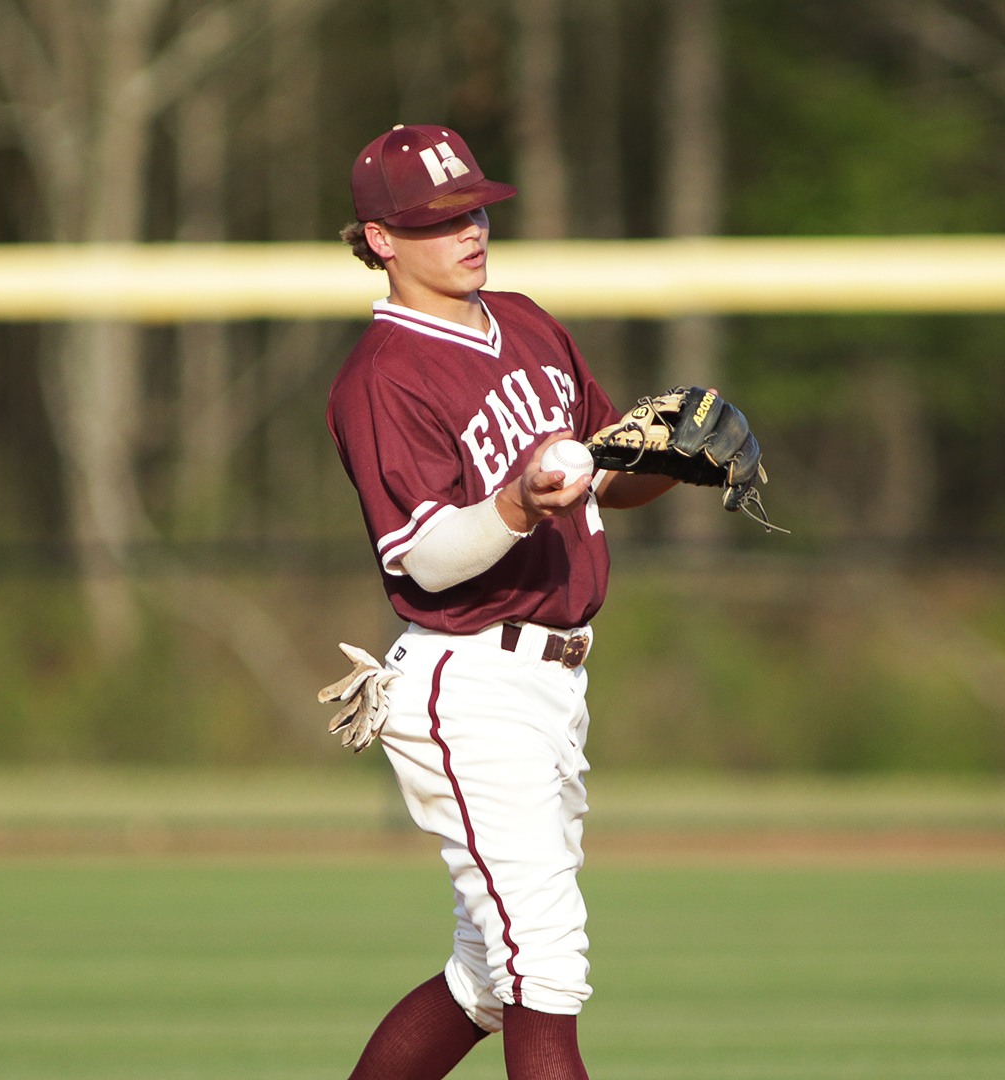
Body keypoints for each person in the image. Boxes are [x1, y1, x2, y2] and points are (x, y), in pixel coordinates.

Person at [325, 124, 683, 1080]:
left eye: (474, 209)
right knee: (547, 963)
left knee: (492, 975)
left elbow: (605, 474)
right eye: (438, 221)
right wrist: (518, 502)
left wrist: (673, 460)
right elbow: (426, 559)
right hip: (469, 679)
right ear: (381, 239)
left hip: (555, 682)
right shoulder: (382, 374)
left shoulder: (526, 321)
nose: (469, 231)